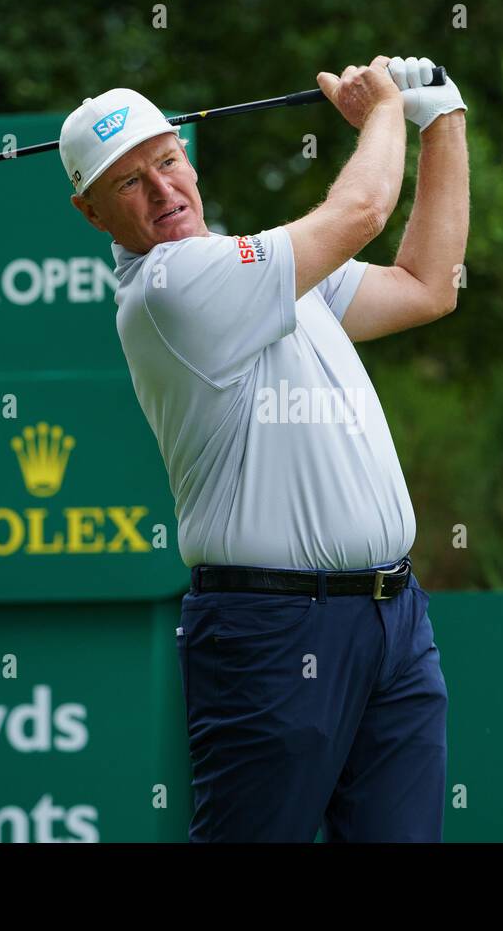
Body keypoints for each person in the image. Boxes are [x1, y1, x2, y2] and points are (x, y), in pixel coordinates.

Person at [59, 54, 469, 841]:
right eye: (129, 183)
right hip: (272, 633)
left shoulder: (268, 271)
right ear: (93, 213)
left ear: (188, 155)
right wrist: (385, 109)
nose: (163, 190)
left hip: (393, 622)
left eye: (167, 162)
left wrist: (441, 119)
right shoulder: (170, 290)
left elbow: (430, 283)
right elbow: (361, 210)